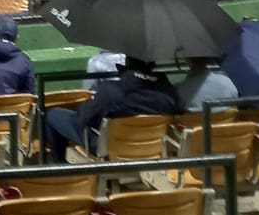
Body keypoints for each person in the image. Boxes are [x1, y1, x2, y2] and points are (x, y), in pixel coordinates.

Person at [43, 57, 178, 162]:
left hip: (107, 147)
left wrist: (87, 104)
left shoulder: (112, 90)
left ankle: (58, 167)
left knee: (52, 114)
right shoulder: (168, 92)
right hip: (153, 148)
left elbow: (85, 119)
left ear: (127, 61)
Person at [175, 59, 240, 114]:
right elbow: (235, 107)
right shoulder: (227, 82)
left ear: (186, 60)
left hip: (195, 127)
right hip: (226, 128)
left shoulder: (177, 90)